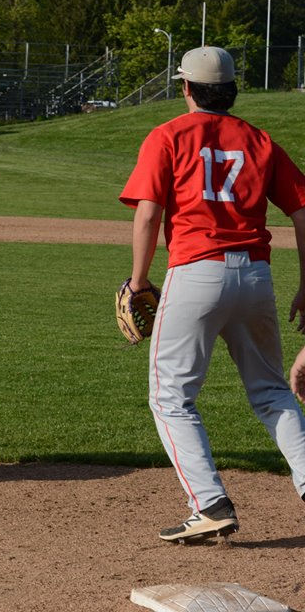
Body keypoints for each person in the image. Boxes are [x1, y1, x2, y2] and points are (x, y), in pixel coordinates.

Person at [119, 46, 305, 543]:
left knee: (171, 398)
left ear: (185, 88)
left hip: (197, 272)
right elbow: (303, 211)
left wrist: (138, 280)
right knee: (271, 393)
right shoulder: (260, 140)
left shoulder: (167, 136)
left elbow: (148, 213)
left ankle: (210, 503)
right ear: (232, 91)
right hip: (257, 278)